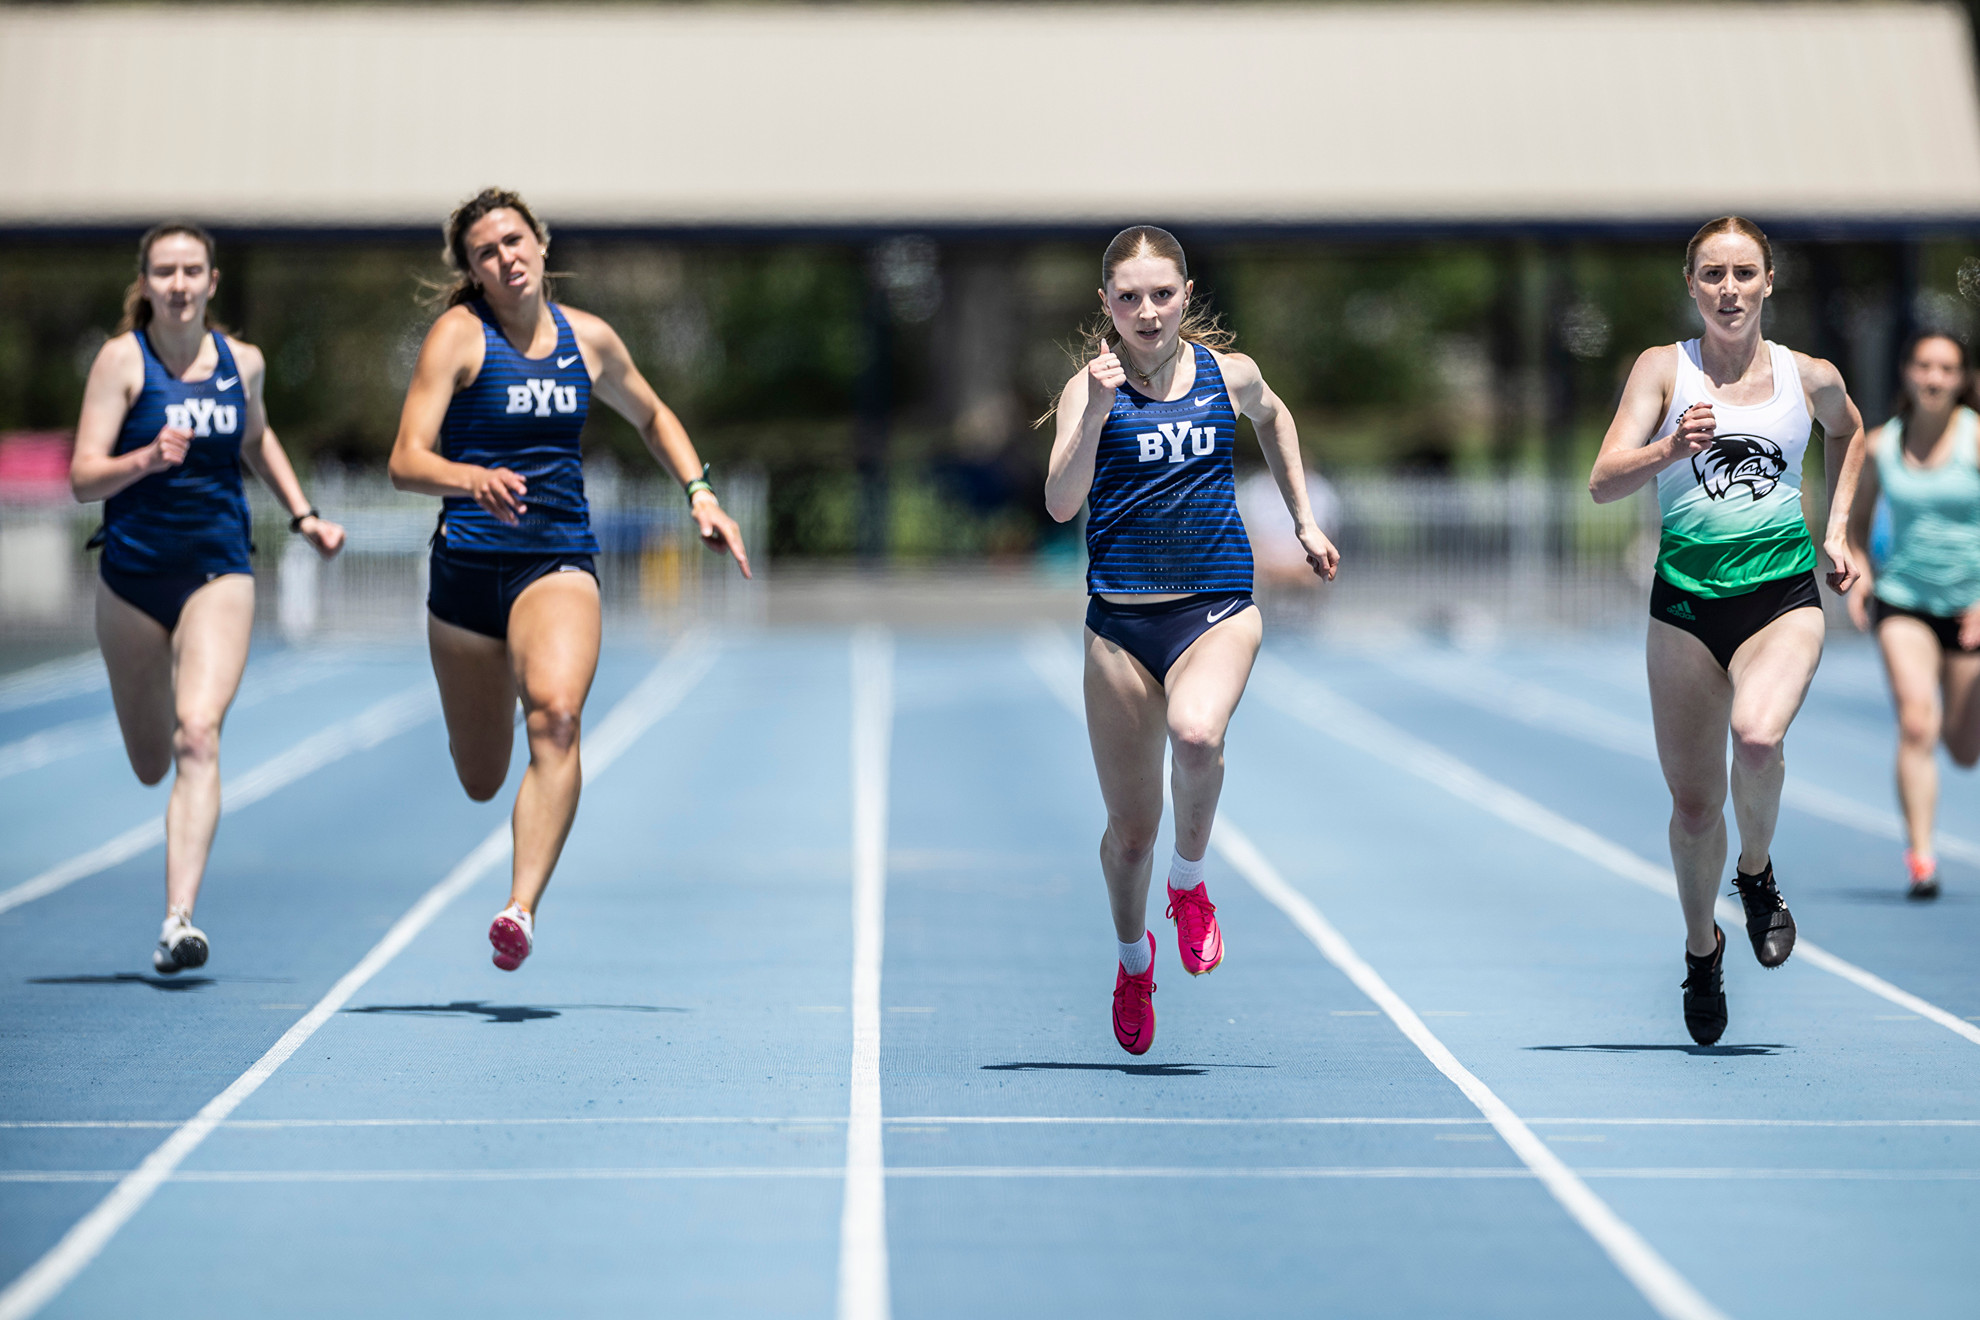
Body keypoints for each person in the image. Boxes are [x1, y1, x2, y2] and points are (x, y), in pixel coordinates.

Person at [388, 188, 750, 972]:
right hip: (465, 571)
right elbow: (404, 460)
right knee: (481, 776)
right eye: (486, 253)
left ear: (542, 245)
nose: (505, 258)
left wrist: (701, 495)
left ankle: (519, 908)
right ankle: (501, 793)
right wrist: (469, 477)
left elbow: (653, 416)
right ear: (473, 272)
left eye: (514, 241)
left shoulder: (588, 339)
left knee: (555, 717)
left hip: (556, 557)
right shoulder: (459, 337)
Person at [1045, 225, 1339, 1055]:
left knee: (1198, 733)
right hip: (1121, 625)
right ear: (1106, 303)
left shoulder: (1226, 374)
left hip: (1216, 606)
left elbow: (1275, 419)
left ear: (1186, 297)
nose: (1146, 310)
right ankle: (1133, 962)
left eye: (1162, 294)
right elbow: (1061, 503)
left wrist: (1304, 523)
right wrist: (1098, 411)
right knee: (1128, 832)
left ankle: (1192, 883)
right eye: (1129, 296)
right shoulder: (1086, 389)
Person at [1589, 216, 1867, 1046]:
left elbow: (1851, 434)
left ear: (1769, 281)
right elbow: (1603, 481)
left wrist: (1841, 529)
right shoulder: (1660, 370)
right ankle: (1701, 948)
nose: (1730, 289)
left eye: (1744, 273)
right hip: (1684, 608)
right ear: (1692, 285)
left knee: (1756, 737)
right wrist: (1672, 445)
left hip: (1780, 597)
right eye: (1713, 274)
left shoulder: (1807, 376)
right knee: (1693, 806)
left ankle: (1756, 875)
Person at [70, 221, 346, 973]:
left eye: (193, 269)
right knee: (150, 763)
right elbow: (82, 476)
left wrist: (305, 516)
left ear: (212, 282)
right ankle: (159, 697)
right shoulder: (122, 363)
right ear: (147, 282)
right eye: (166, 271)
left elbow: (257, 440)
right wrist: (144, 457)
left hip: (218, 569)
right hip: (130, 580)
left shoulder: (243, 363)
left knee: (198, 735)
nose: (180, 284)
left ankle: (177, 921)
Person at [1844, 332, 1980, 900]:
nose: (1933, 378)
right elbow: (1855, 519)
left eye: (1945, 368)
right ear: (1906, 372)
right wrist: (1862, 572)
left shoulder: (1976, 441)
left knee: (1964, 749)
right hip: (1903, 599)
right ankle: (1922, 855)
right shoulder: (1880, 445)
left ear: (1960, 378)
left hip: (1970, 603)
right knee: (1917, 721)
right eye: (1923, 365)